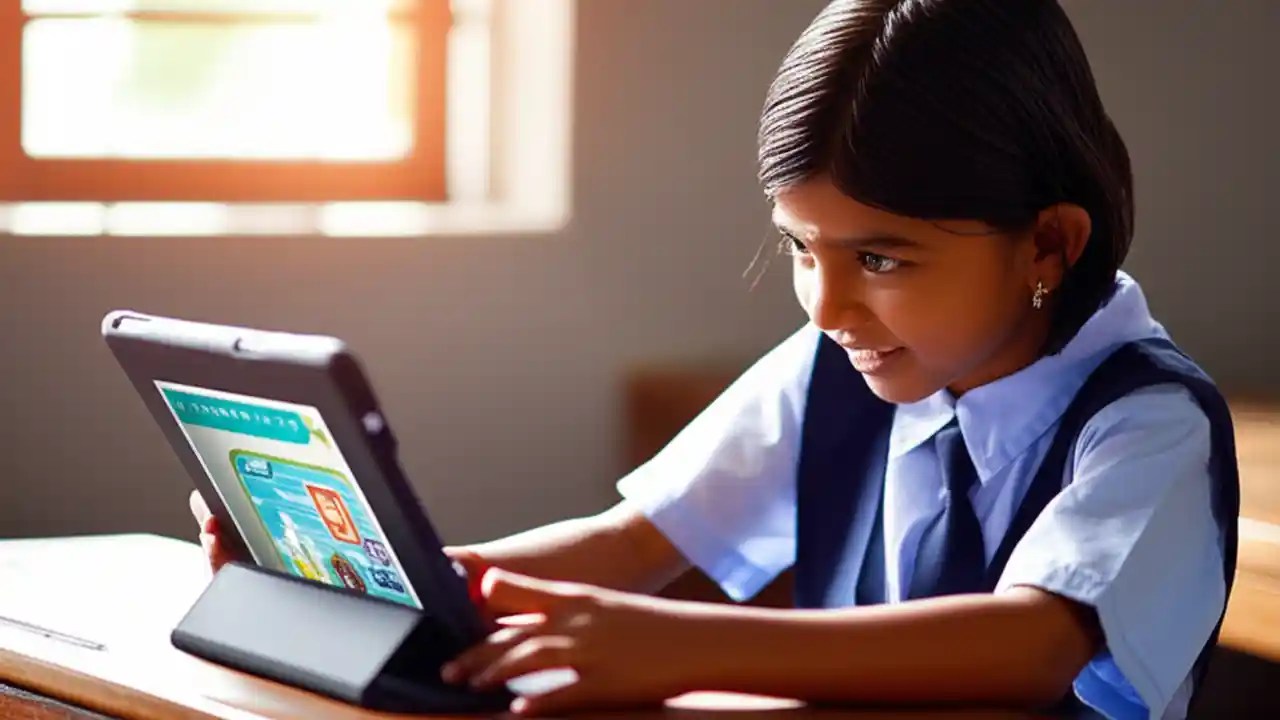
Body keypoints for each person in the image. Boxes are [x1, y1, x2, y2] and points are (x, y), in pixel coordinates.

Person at [190, 1, 1239, 717]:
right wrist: (382, 577)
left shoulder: (1144, 420)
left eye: (879, 256)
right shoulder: (844, 362)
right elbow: (634, 542)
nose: (825, 302)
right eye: (799, 250)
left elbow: (1031, 644)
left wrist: (679, 644)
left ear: (1048, 245)